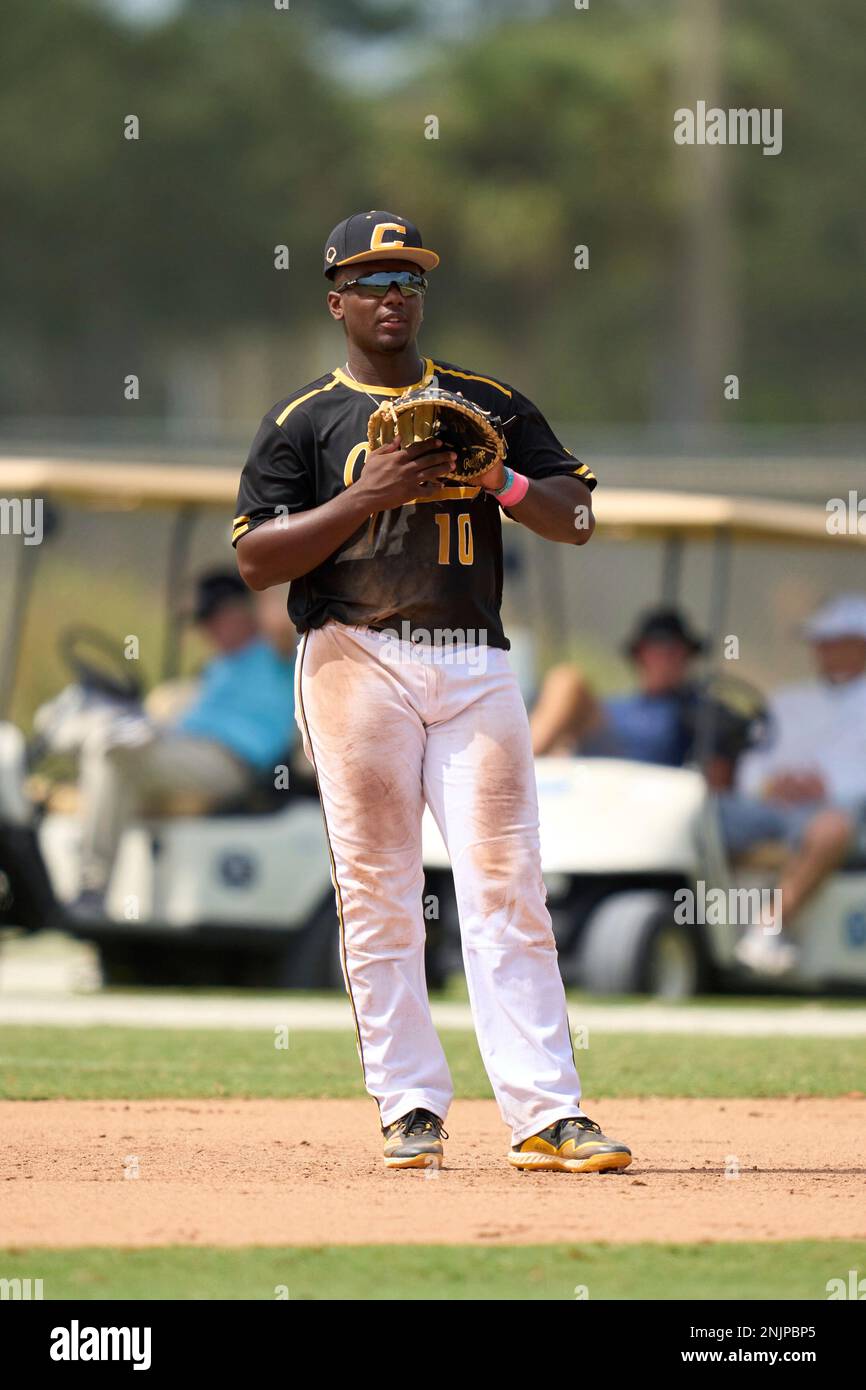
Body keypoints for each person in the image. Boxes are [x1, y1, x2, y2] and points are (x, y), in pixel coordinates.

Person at [233, 209, 631, 1174]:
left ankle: (547, 1113)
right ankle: (410, 1106)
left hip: (473, 659)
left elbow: (577, 517)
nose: (392, 296)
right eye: (371, 280)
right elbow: (254, 558)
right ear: (336, 301)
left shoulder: (486, 400)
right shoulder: (306, 419)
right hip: (353, 656)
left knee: (507, 889)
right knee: (379, 891)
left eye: (408, 280)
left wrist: (499, 479)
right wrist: (368, 495)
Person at [70, 570, 296, 917]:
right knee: (101, 743)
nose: (206, 630)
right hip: (185, 755)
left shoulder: (277, 652)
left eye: (212, 618)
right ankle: (94, 890)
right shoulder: (216, 667)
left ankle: (91, 889)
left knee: (111, 752)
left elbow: (280, 614)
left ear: (240, 612)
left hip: (231, 763)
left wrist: (264, 535)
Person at [720, 594, 866, 975]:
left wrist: (826, 785)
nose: (824, 650)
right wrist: (770, 786)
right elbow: (754, 762)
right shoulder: (789, 700)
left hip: (838, 811)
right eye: (822, 642)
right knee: (696, 813)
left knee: (834, 827)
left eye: (836, 641)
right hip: (767, 808)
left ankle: (769, 928)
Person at [531, 607, 706, 765]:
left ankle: (520, 763)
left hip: (647, 779)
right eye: (657, 650)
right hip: (594, 769)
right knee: (565, 679)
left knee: (568, 682)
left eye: (673, 651)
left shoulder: (698, 711)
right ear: (641, 655)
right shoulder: (616, 706)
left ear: (687, 656)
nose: (665, 659)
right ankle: (522, 760)